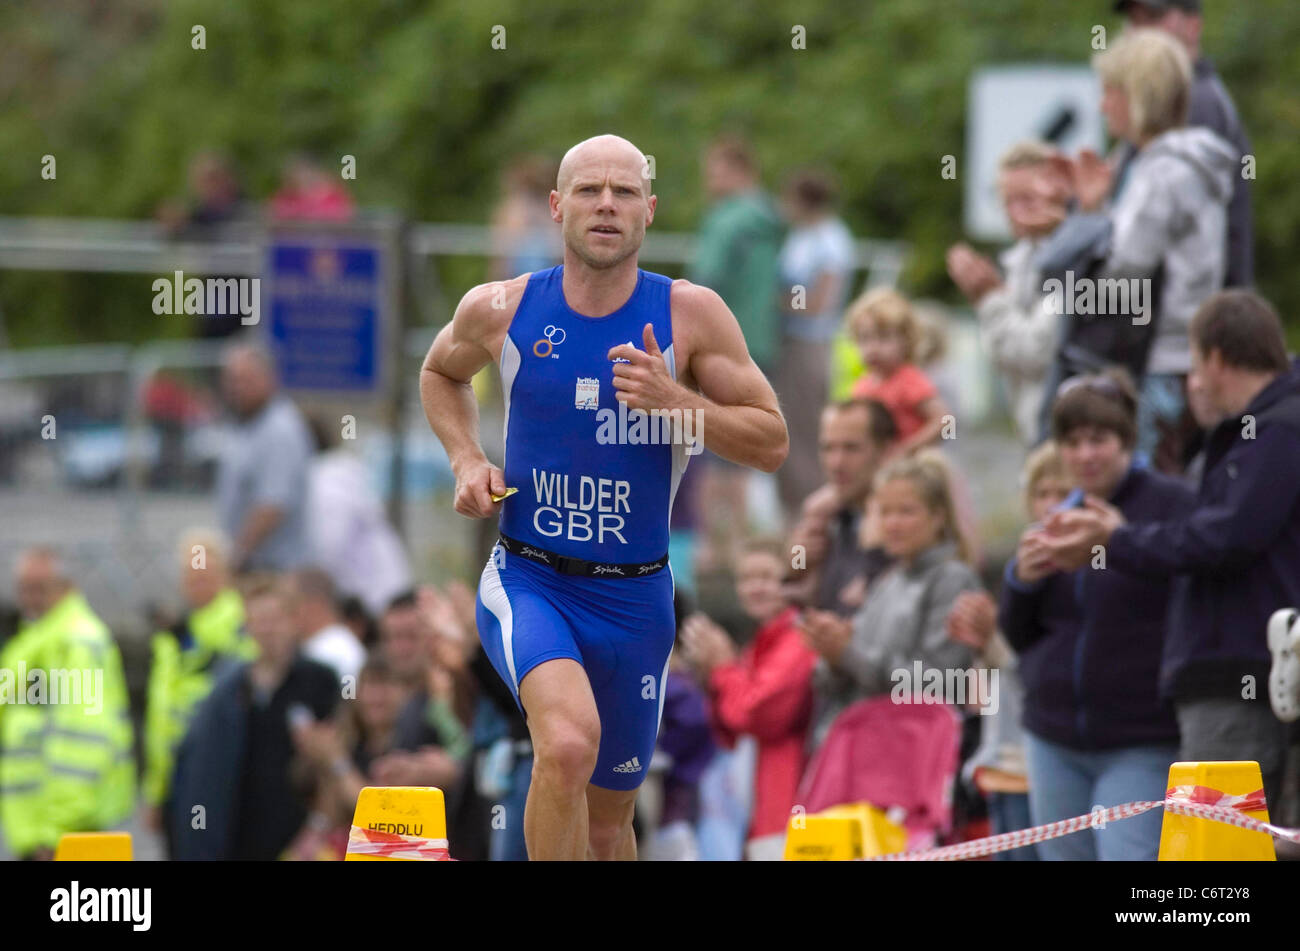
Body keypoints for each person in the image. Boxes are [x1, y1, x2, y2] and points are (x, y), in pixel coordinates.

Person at [419, 133, 789, 860]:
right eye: (589, 190)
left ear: (649, 213)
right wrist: (467, 459)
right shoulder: (502, 307)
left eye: (624, 192)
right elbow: (440, 372)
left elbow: (772, 440)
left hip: (637, 599)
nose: (607, 205)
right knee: (563, 744)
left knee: (608, 825)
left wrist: (676, 403)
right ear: (557, 208)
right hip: (532, 577)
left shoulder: (691, 316)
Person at [1041, 290, 1300, 822]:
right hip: (1247, 671)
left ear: (1217, 357)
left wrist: (1115, 540)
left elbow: (1224, 539)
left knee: (1214, 859)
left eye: (1195, 360)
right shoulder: (1259, 430)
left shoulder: (1275, 429)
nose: (1195, 381)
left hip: (1238, 674)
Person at [1003, 371, 1194, 860]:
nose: (1085, 455)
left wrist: (1126, 544)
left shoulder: (1172, 505)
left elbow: (1191, 606)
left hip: (1141, 737)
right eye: (1072, 442)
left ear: (1127, 440)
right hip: (1053, 735)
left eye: (1098, 440)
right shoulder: (1058, 517)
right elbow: (1020, 635)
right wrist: (1020, 583)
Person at [1045, 28, 1235, 468]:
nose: (1102, 105)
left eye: (1109, 92)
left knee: (1146, 483)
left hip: (1159, 359)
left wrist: (1071, 252)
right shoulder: (1181, 165)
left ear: (1136, 95)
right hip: (1179, 353)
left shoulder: (1162, 173)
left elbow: (1126, 269)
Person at [801, 451, 982, 748]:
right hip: (862, 749)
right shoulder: (887, 583)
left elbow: (939, 684)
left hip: (911, 756)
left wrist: (847, 653)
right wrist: (831, 653)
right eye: (885, 512)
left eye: (906, 512)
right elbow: (831, 681)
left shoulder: (952, 580)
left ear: (937, 516)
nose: (893, 524)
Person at [948, 442, 1071, 860]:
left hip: (1041, 763)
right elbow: (1003, 674)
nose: (1052, 507)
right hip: (1003, 761)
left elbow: (1037, 669)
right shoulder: (1023, 568)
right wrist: (981, 644)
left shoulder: (1087, 571)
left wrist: (992, 643)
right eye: (1042, 494)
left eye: (1063, 493)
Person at [168, 575, 340, 860]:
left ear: (294, 620)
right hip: (240, 835)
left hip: (299, 835)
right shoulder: (229, 689)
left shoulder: (319, 680)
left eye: (275, 618)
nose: (268, 629)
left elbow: (333, 762)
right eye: (259, 620)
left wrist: (318, 828)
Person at [681, 538, 818, 861]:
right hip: (759, 808)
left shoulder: (799, 638)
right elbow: (729, 732)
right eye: (747, 578)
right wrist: (712, 673)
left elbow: (758, 714)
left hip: (789, 805)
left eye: (767, 577)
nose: (756, 588)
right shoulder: (760, 642)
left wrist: (722, 667)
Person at [0, 549, 135, 861]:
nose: (30, 599)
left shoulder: (76, 643)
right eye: (24, 588)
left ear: (66, 587)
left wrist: (57, 830)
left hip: (68, 835)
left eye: (40, 588)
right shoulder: (38, 638)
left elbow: (82, 744)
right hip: (41, 831)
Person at [689, 134, 786, 563]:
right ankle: (744, 545)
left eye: (715, 170)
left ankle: (711, 546)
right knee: (744, 440)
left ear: (737, 169)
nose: (708, 180)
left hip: (719, 342)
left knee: (708, 440)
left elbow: (704, 278)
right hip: (760, 340)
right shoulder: (771, 219)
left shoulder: (726, 221)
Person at [1115, 0, 1254, 289]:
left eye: (1153, 17)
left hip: (1194, 321)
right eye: (1133, 19)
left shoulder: (1196, 103)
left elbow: (1146, 246)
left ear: (1194, 27)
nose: (1140, 31)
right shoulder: (1172, 104)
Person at [947, 142, 1071, 446]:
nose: (1017, 213)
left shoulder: (1077, 262)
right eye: (1008, 202)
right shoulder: (1020, 259)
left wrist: (989, 298)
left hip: (1066, 430)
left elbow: (1033, 352)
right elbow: (1001, 357)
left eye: (1028, 199)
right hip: (1034, 427)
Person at [143, 530, 255, 852]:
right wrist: (156, 792)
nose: (197, 585)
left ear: (226, 577)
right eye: (191, 577)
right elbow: (160, 722)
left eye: (205, 576)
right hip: (177, 779)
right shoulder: (175, 636)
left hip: (217, 777)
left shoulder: (239, 625)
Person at [774, 169, 857, 516]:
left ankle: (812, 507)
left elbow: (820, 301)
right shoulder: (800, 236)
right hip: (789, 341)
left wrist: (772, 301)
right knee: (787, 424)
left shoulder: (831, 241)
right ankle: (791, 507)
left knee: (807, 429)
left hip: (811, 343)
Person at [787, 399, 897, 617]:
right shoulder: (831, 518)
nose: (836, 463)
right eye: (828, 448)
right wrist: (795, 566)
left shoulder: (906, 525)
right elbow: (804, 609)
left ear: (885, 451)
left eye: (851, 448)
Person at [216, 344, 314, 573]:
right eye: (232, 380)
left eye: (246, 379)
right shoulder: (246, 424)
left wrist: (235, 557)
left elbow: (271, 506)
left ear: (269, 379)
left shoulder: (279, 430)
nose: (236, 388)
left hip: (275, 572)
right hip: (256, 568)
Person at [305, 415, 413, 618]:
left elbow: (329, 546)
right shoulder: (344, 474)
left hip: (369, 597)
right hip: (386, 583)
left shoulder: (325, 482)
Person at [847, 289, 952, 457]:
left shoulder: (909, 379)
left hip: (911, 468)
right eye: (864, 339)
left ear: (906, 340)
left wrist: (908, 449)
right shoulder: (862, 387)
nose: (872, 348)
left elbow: (944, 420)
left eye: (883, 337)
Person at [292, 567, 366, 684]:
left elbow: (349, 694)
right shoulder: (315, 645)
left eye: (291, 604)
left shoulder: (341, 650)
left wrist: (346, 698)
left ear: (312, 605)